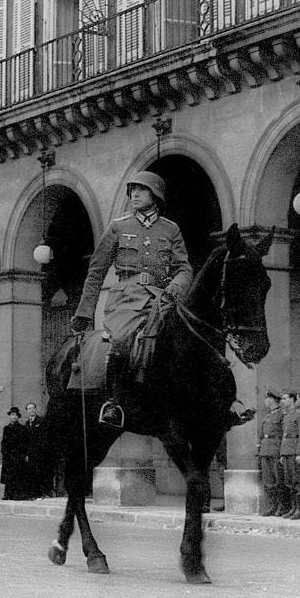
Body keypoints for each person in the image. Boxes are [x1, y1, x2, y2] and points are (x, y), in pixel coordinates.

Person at [70, 171, 193, 427]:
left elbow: (184, 268)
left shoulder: (171, 229)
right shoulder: (118, 226)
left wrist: (175, 286)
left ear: (155, 195)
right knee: (122, 341)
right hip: (126, 299)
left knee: (188, 333)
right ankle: (113, 403)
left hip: (163, 297)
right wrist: (84, 313)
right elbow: (96, 272)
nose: (134, 194)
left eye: (141, 190)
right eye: (132, 190)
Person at [279, 392, 300, 519]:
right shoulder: (286, 416)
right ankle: (293, 507)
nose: (282, 401)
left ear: (293, 399)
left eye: (285, 398)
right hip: (286, 451)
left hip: (294, 451)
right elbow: (283, 435)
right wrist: (282, 453)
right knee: (289, 481)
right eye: (282, 399)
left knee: (298, 482)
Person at [256, 390, 283, 516]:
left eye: (267, 398)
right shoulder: (266, 415)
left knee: (278, 480)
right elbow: (261, 434)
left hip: (275, 449)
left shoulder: (281, 414)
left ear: (272, 399)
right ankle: (272, 505)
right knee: (268, 481)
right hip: (265, 450)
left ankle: (281, 506)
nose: (265, 401)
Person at [1, 407, 29, 500]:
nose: (14, 417)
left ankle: (17, 495)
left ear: (18, 417)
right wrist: (4, 452)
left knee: (17, 475)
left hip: (18, 455)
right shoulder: (6, 428)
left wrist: (24, 454)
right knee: (8, 476)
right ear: (9, 416)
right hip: (8, 456)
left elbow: (25, 443)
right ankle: (7, 495)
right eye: (12, 415)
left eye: (15, 415)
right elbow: (4, 442)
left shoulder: (22, 428)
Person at [22, 402, 47, 498]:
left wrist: (41, 450)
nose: (31, 410)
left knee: (40, 472)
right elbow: (26, 440)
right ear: (27, 411)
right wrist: (27, 454)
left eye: (33, 408)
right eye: (29, 408)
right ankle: (33, 493)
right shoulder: (27, 423)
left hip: (39, 452)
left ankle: (41, 493)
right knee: (32, 473)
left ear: (35, 409)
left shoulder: (41, 421)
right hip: (30, 453)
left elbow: (44, 438)